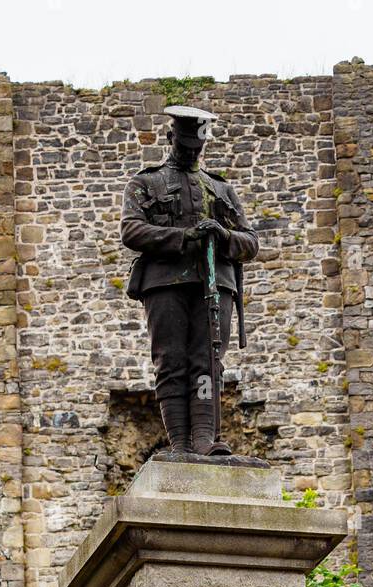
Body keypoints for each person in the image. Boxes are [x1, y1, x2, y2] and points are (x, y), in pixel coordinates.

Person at [121, 104, 258, 454]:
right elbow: (131, 230)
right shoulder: (146, 182)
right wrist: (184, 237)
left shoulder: (221, 190)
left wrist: (224, 237)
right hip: (164, 282)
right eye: (184, 147)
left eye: (197, 148)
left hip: (215, 284)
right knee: (170, 360)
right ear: (170, 139)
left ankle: (203, 439)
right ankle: (180, 442)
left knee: (208, 361)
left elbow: (251, 242)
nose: (191, 153)